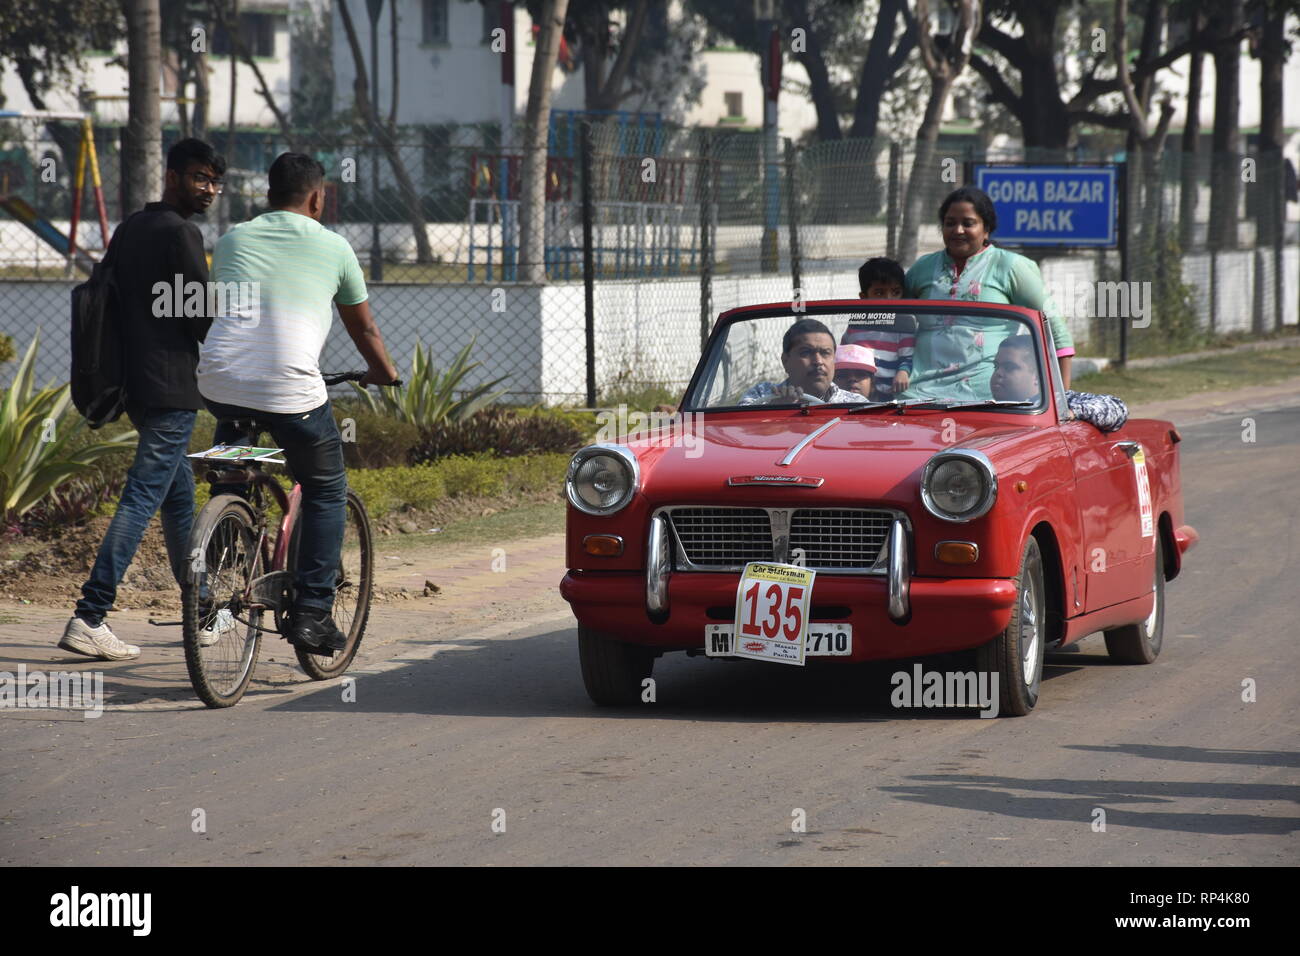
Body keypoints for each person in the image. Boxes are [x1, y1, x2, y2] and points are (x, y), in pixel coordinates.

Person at [197, 153, 399, 651]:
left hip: (221, 383)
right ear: (317, 197)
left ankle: (220, 559)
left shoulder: (232, 240)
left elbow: (234, 313)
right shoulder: (334, 247)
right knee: (327, 489)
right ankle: (312, 612)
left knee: (234, 464)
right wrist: (384, 372)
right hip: (291, 391)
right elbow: (363, 326)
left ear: (268, 195)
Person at [58, 138, 226, 662]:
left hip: (135, 386)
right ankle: (91, 615)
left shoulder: (131, 227)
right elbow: (201, 316)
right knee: (142, 497)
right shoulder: (181, 233)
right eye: (200, 178)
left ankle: (201, 611)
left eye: (216, 181)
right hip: (172, 387)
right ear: (172, 176)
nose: (210, 190)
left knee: (178, 499)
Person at [904, 186, 1076, 394]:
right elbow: (896, 325)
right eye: (950, 223)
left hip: (988, 396)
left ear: (986, 229)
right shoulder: (923, 268)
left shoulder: (1011, 266)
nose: (958, 230)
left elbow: (1055, 328)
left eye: (968, 223)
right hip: (917, 394)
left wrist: (1065, 399)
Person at [991, 336, 1128, 432]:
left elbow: (1116, 407)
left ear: (1038, 376)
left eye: (1009, 367)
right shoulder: (984, 405)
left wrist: (1072, 412)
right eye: (996, 366)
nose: (998, 373)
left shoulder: (1058, 402)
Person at [738, 319, 868, 405]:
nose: (818, 361)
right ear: (785, 360)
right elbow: (740, 432)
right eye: (806, 352)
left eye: (825, 353)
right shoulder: (761, 395)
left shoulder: (856, 405)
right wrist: (773, 411)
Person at [842, 257, 915, 397]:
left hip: (890, 393)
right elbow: (844, 355)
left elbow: (907, 357)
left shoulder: (904, 324)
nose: (889, 299)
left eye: (895, 292)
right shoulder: (857, 324)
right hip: (858, 394)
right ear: (864, 297)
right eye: (880, 293)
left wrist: (903, 372)